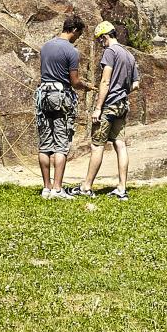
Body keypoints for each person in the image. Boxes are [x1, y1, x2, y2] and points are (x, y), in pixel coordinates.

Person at [74, 20, 138, 199]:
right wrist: (122, 91)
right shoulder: (129, 55)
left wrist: (97, 108)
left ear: (105, 36)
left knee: (97, 145)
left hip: (109, 105)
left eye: (100, 40)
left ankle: (86, 187)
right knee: (120, 144)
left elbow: (105, 81)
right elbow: (136, 84)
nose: (100, 44)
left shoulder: (110, 52)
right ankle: (122, 188)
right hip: (122, 105)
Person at [36, 14, 90, 198]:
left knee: (45, 145)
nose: (78, 38)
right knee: (61, 143)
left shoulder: (46, 46)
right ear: (74, 30)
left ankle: (46, 187)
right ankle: (57, 189)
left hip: (43, 95)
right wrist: (87, 86)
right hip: (60, 97)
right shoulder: (71, 51)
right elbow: (74, 82)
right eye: (79, 34)